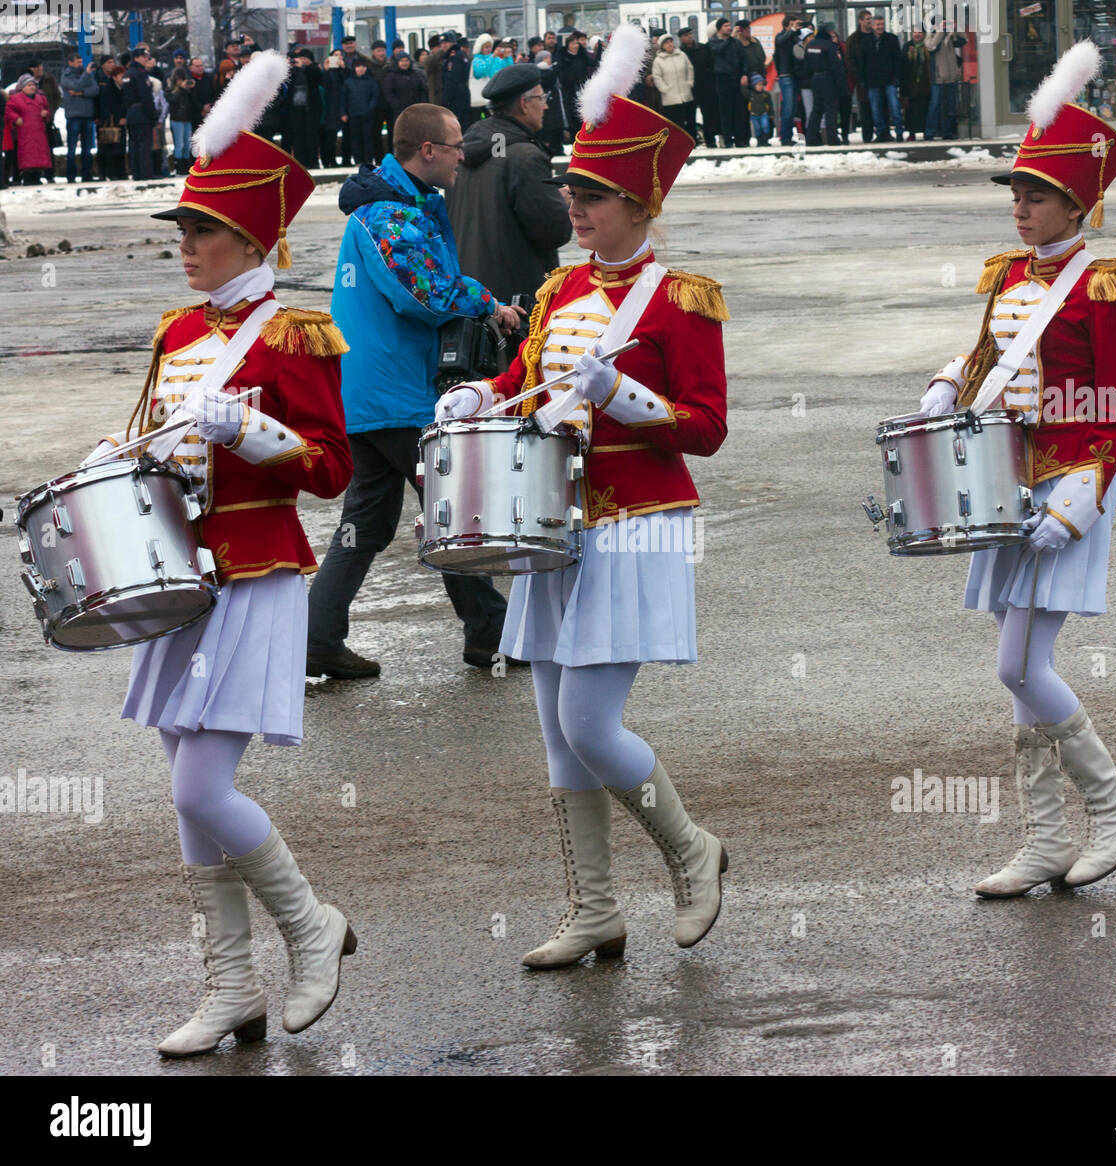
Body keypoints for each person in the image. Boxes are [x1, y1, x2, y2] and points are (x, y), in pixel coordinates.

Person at [80, 51, 356, 1056]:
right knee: (183, 790)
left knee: (203, 786)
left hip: (258, 569)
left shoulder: (298, 334)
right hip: (177, 578)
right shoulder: (177, 329)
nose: (183, 247)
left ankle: (311, 925)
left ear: (249, 233)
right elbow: (157, 435)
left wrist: (248, 432)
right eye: (183, 230)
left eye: (198, 230)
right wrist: (120, 452)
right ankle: (231, 984)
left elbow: (329, 469)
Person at [435, 25, 730, 969]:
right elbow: (526, 371)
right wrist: (481, 392)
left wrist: (620, 396)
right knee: (556, 735)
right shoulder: (561, 287)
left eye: (592, 195)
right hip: (551, 525)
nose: (575, 205)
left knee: (589, 724)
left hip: (638, 522)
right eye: (572, 191)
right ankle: (594, 907)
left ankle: (693, 851)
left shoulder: (684, 299)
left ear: (640, 202)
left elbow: (706, 426)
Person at [916, 43, 1116, 898]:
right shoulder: (1010, 272)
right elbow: (992, 350)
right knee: (1016, 662)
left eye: (1035, 195)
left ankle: (1113, 801)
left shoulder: (1108, 284)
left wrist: (1083, 495)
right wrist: (952, 377)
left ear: (1076, 202)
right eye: (1015, 193)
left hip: (1070, 480)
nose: (1019, 208)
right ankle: (1046, 839)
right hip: (1007, 478)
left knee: (1019, 666)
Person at [309, 103, 523, 678]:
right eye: (456, 145)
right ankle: (490, 632)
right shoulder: (389, 214)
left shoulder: (401, 206)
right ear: (427, 150)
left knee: (368, 522)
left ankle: (317, 636)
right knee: (451, 510)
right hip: (397, 393)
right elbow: (423, 292)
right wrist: (490, 305)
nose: (463, 155)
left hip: (372, 392)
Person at [446, 63, 572, 330]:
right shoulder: (524, 156)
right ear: (524, 104)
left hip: (473, 297)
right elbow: (553, 231)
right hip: (516, 306)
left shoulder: (466, 150)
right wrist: (560, 203)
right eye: (541, 98)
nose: (546, 106)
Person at [862, 13, 904, 142]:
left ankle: (899, 132)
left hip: (889, 79)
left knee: (895, 107)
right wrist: (864, 78)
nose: (880, 27)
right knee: (875, 109)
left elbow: (897, 59)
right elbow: (863, 61)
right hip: (873, 80)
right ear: (873, 26)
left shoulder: (891, 39)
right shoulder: (866, 41)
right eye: (878, 24)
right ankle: (880, 133)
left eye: (882, 24)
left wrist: (896, 77)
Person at [4, 75, 52, 184]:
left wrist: (46, 114)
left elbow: (47, 109)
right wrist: (16, 118)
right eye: (29, 85)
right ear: (22, 87)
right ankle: (27, 176)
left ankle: (37, 175)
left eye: (33, 85)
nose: (32, 87)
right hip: (25, 132)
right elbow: (8, 110)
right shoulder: (16, 98)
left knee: (39, 154)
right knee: (27, 154)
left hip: (39, 131)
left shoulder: (41, 98)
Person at [60, 52, 99, 183]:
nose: (80, 65)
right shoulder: (66, 75)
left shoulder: (86, 74)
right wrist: (86, 75)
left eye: (81, 62)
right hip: (74, 115)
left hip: (87, 114)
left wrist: (81, 93)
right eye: (78, 62)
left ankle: (86, 174)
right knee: (72, 148)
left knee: (87, 148)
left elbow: (95, 89)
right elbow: (74, 85)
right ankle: (71, 175)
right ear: (70, 62)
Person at [925, 20, 966, 140]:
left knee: (951, 108)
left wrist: (956, 27)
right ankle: (930, 132)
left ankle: (948, 132)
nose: (943, 27)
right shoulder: (930, 37)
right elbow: (932, 46)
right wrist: (939, 31)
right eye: (940, 24)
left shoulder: (951, 37)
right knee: (935, 106)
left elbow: (965, 40)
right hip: (938, 79)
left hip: (951, 78)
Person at [709, 18, 747, 148]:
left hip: (736, 79)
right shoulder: (713, 42)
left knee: (739, 111)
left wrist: (744, 74)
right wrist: (730, 38)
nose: (729, 28)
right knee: (725, 112)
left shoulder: (736, 43)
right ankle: (727, 140)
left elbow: (743, 59)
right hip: (722, 80)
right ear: (720, 28)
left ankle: (740, 139)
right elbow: (719, 51)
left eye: (730, 25)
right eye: (726, 26)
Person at [805, 25, 843, 147]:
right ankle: (832, 139)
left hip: (815, 79)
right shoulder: (829, 46)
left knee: (816, 110)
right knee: (830, 110)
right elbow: (836, 66)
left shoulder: (810, 45)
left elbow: (806, 64)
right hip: (828, 79)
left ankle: (811, 138)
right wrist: (840, 83)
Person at [123, 44, 158, 179]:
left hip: (131, 113)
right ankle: (145, 173)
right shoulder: (140, 74)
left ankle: (136, 172)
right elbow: (146, 97)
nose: (146, 59)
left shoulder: (128, 74)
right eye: (144, 57)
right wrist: (153, 115)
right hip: (142, 113)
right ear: (136, 58)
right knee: (144, 145)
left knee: (134, 144)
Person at [651, 34, 695, 141]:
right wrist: (665, 89)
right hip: (670, 97)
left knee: (689, 119)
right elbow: (657, 77)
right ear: (662, 46)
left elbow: (690, 69)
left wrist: (689, 83)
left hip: (685, 94)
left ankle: (692, 141)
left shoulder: (682, 55)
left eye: (671, 41)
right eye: (666, 43)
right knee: (675, 122)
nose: (670, 44)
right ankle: (678, 142)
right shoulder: (658, 60)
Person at [679, 27, 715, 146]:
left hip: (704, 86)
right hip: (689, 88)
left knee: (708, 115)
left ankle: (710, 140)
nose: (689, 37)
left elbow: (711, 65)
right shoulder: (680, 53)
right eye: (686, 35)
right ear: (681, 38)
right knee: (690, 116)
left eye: (690, 34)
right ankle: (692, 142)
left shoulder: (703, 48)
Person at [340, 59, 379, 168]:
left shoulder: (371, 81)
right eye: (358, 66)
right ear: (354, 68)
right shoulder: (348, 82)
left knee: (368, 138)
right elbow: (344, 98)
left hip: (368, 115)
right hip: (353, 114)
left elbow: (375, 96)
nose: (361, 69)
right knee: (355, 139)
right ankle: (358, 160)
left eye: (363, 66)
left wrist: (370, 109)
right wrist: (343, 113)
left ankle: (368, 160)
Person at [846, 10, 877, 144]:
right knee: (865, 107)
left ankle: (883, 132)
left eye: (870, 19)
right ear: (860, 21)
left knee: (880, 106)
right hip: (862, 79)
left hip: (877, 78)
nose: (869, 21)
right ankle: (867, 135)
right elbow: (850, 59)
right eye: (867, 19)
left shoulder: (876, 36)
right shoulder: (854, 39)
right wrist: (858, 75)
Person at [555, 31, 592, 139]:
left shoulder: (582, 56)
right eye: (573, 43)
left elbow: (592, 63)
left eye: (577, 43)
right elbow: (562, 76)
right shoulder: (563, 58)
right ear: (568, 45)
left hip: (582, 89)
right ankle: (573, 139)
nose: (576, 46)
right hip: (569, 91)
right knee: (572, 116)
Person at [381, 49, 429, 127]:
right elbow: (388, 92)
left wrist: (421, 104)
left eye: (406, 60)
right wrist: (396, 105)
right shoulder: (392, 76)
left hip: (416, 110)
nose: (404, 63)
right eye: (402, 61)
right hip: (399, 111)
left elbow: (422, 90)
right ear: (398, 62)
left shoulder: (416, 74)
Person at [773, 14, 801, 145]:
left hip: (795, 75)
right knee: (788, 108)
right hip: (786, 75)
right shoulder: (781, 37)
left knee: (793, 108)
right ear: (785, 26)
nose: (795, 27)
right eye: (791, 25)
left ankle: (788, 136)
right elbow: (781, 41)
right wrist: (792, 31)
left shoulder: (795, 37)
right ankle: (785, 137)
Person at [533, 51, 566, 157]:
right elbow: (549, 80)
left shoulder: (550, 70)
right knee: (549, 130)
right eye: (547, 58)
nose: (550, 60)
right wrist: (556, 68)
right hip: (548, 106)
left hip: (555, 106)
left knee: (556, 130)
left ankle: (558, 148)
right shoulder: (541, 71)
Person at [166, 66, 196, 173]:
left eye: (182, 79)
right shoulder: (170, 90)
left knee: (187, 144)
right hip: (177, 119)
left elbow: (192, 101)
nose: (181, 81)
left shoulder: (186, 90)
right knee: (179, 144)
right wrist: (180, 89)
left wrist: (190, 89)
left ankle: (187, 165)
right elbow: (172, 100)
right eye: (179, 79)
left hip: (187, 119)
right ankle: (179, 167)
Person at [903, 28, 930, 140]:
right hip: (911, 84)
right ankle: (912, 133)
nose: (917, 35)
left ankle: (926, 132)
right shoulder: (907, 46)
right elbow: (903, 64)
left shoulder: (928, 46)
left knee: (925, 108)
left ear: (924, 34)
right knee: (911, 110)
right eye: (915, 32)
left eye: (920, 32)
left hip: (925, 84)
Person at [321, 50, 347, 166]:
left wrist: (344, 69)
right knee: (330, 137)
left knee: (346, 135)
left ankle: (345, 160)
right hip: (331, 109)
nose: (338, 58)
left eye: (340, 55)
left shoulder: (344, 71)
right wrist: (326, 70)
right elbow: (325, 87)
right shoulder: (328, 73)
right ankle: (329, 161)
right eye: (335, 56)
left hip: (344, 107)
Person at [442, 36, 472, 129]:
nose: (443, 46)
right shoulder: (461, 55)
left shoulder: (454, 57)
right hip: (463, 94)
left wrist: (446, 99)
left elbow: (452, 79)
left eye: (446, 43)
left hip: (456, 97)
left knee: (457, 124)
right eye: (442, 43)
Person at [189, 56, 216, 128]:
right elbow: (190, 97)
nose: (200, 68)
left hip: (210, 113)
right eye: (197, 66)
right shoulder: (189, 79)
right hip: (195, 115)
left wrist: (210, 106)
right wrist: (201, 108)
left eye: (201, 65)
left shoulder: (209, 77)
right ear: (191, 68)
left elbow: (215, 93)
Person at [747, 73, 773, 146]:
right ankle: (759, 141)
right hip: (754, 115)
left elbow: (770, 104)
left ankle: (765, 140)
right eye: (758, 85)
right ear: (753, 85)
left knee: (765, 126)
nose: (761, 86)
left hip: (763, 114)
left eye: (762, 84)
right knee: (757, 128)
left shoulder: (766, 94)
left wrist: (771, 114)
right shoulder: (751, 94)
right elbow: (744, 91)